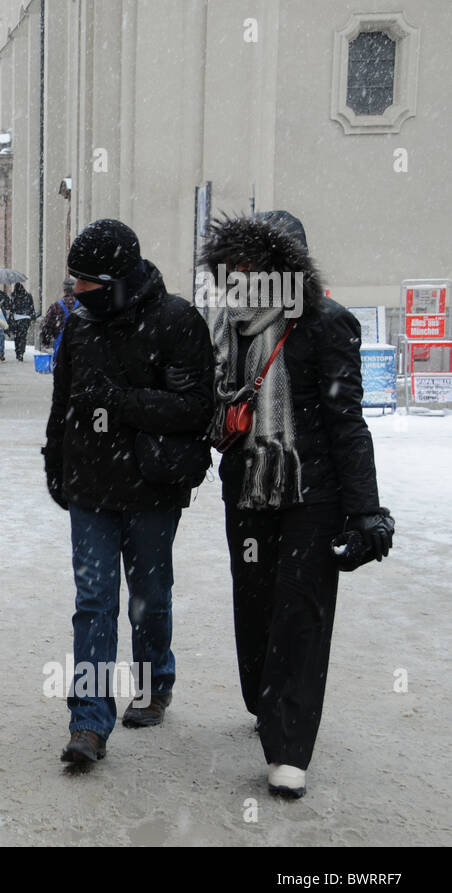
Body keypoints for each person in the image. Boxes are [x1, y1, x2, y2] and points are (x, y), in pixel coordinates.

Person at [201, 211, 393, 799]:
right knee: (256, 603)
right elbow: (204, 404)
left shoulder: (328, 325)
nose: (246, 278)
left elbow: (347, 423)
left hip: (314, 496)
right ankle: (267, 697)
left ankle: (289, 747)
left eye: (259, 268)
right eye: (237, 269)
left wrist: (365, 512)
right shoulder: (227, 324)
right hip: (249, 492)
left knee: (301, 612)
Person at [42, 218, 215, 766]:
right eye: (74, 284)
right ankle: (89, 722)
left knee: (149, 597)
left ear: (118, 281)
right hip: (90, 487)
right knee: (93, 603)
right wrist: (54, 460)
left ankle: (153, 679)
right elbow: (63, 403)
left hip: (151, 487)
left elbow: (195, 409)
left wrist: (122, 401)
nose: (77, 294)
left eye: (87, 285)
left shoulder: (178, 321)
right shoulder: (80, 326)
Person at [39, 278, 80, 359]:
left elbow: (47, 325)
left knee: (61, 369)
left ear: (64, 289)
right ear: (75, 289)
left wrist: (45, 341)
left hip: (61, 346)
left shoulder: (55, 306)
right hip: (78, 346)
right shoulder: (81, 306)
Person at [3, 281, 36, 362]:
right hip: (25, 319)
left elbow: (11, 308)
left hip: (16, 319)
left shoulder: (14, 296)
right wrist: (32, 316)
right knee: (23, 337)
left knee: (17, 337)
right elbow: (32, 307)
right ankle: (21, 351)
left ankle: (18, 351)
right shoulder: (28, 296)